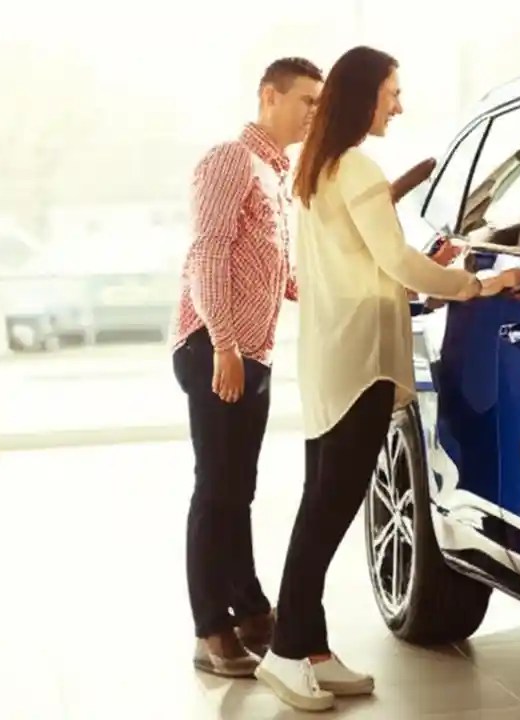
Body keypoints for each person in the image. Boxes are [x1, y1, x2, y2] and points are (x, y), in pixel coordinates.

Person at [254, 46, 520, 711]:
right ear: (365, 96)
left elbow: (375, 260)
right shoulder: (358, 167)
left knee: (319, 503)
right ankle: (287, 654)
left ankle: (311, 647)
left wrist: (427, 272)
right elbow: (397, 259)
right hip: (362, 362)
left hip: (331, 357)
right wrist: (478, 283)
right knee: (326, 513)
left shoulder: (321, 170)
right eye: (392, 92)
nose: (399, 104)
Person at [170, 57, 324, 678]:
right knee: (216, 490)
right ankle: (210, 629)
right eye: (306, 100)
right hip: (216, 348)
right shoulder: (231, 160)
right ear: (270, 97)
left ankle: (251, 608)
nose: (314, 113)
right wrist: (225, 347)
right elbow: (205, 254)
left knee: (239, 490)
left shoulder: (274, 173)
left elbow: (275, 275)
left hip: (248, 352)